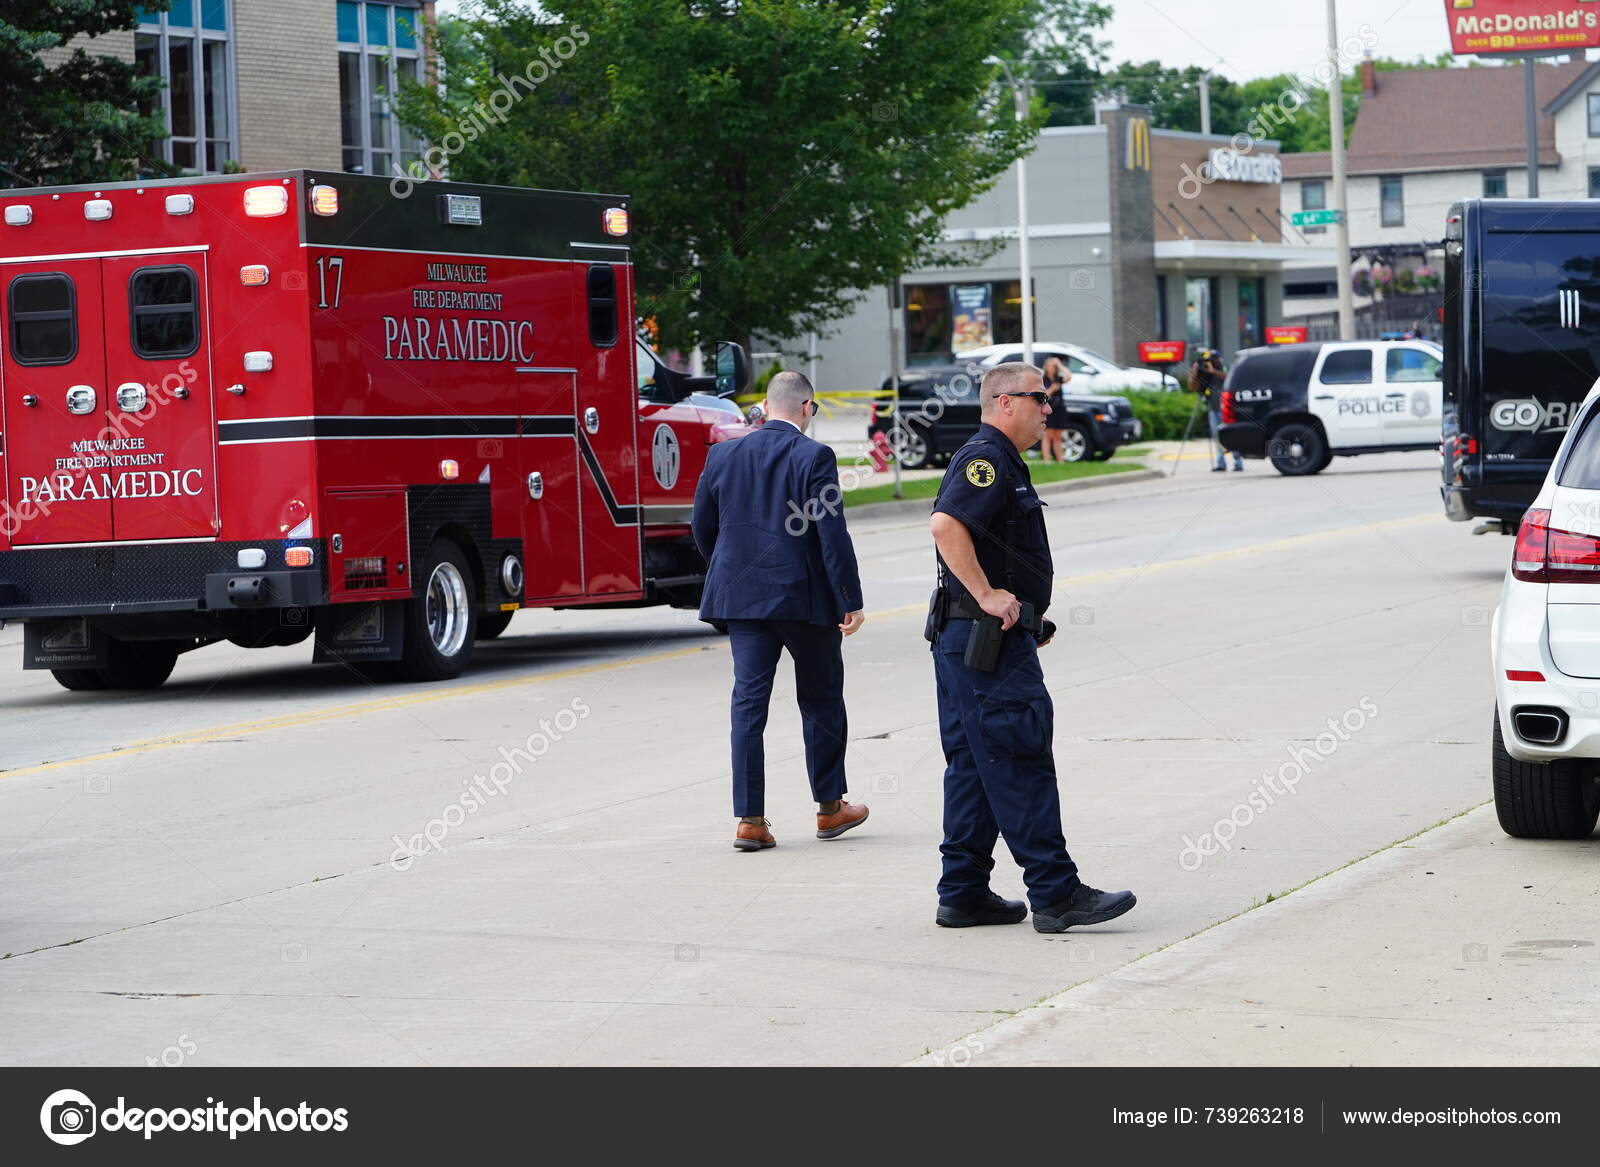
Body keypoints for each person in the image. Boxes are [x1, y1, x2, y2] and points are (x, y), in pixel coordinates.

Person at [925, 361, 1137, 933]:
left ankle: (963, 893)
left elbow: (999, 549)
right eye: (1039, 398)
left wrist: (1028, 618)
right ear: (1004, 402)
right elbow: (946, 526)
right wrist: (988, 595)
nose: (1049, 409)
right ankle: (1056, 893)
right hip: (983, 642)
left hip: (972, 640)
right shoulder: (987, 459)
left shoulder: (1001, 459)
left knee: (975, 766)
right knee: (1019, 759)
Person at [692, 370, 869, 852]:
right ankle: (830, 808)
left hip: (743, 600)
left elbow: (702, 527)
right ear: (807, 408)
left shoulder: (722, 454)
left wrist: (731, 572)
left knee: (748, 705)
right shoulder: (814, 455)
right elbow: (831, 532)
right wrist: (849, 598)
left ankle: (750, 820)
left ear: (767, 407)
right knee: (821, 699)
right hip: (804, 600)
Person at [1189, 348, 1241, 472]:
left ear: (1219, 359)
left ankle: (1238, 461)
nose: (1211, 362)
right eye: (1210, 360)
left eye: (1214, 359)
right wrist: (1194, 374)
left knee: (1231, 434)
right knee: (1216, 436)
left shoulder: (1224, 367)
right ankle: (1221, 463)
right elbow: (1193, 387)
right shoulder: (1205, 373)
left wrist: (1213, 371)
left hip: (1227, 408)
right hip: (1213, 408)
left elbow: (1229, 378)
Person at [1040, 355, 1072, 462]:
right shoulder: (1043, 380)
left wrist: (1059, 364)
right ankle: (1046, 460)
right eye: (1050, 366)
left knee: (1058, 436)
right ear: (1046, 367)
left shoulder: (1058, 378)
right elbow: (1044, 395)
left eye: (1054, 366)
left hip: (1059, 409)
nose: (1052, 368)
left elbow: (1068, 376)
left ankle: (1060, 460)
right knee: (1047, 435)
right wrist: (1052, 389)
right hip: (1049, 409)